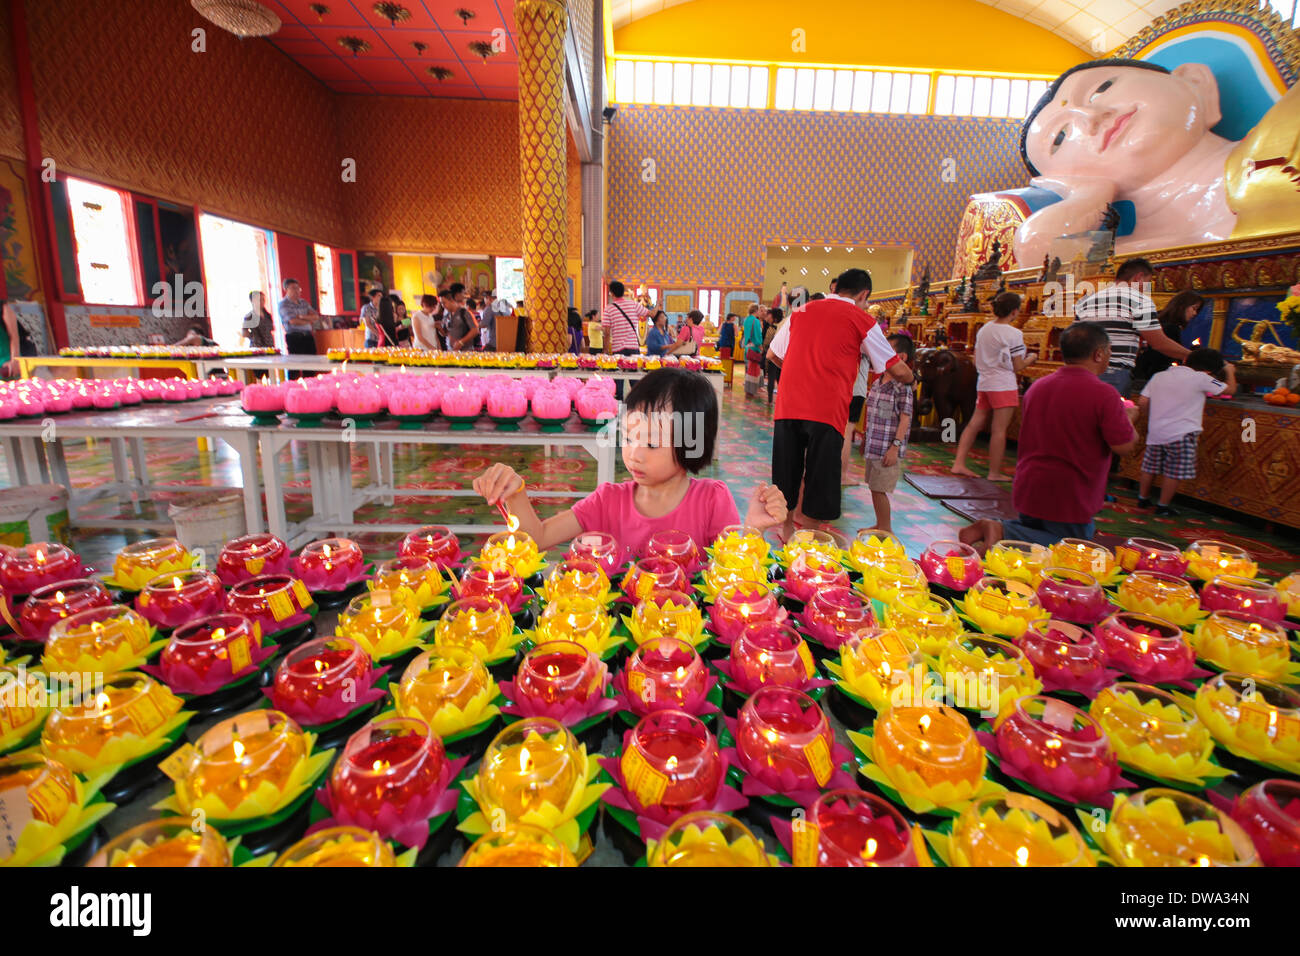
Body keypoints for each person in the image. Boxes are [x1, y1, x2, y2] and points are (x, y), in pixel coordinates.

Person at [473, 368, 788, 555]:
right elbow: (536, 539)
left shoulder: (711, 499)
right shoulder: (608, 501)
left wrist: (752, 529)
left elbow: (733, 573)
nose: (634, 453)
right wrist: (515, 494)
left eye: (651, 442)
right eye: (629, 437)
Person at [959, 322, 1139, 551]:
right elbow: (1123, 446)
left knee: (1032, 557)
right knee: (1072, 549)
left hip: (1030, 485)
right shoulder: (1104, 394)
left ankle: (1006, 535)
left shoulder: (1039, 386)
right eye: (1109, 352)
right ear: (1098, 354)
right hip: (1071, 493)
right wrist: (1129, 419)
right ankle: (1004, 531)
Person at [769, 268, 915, 539]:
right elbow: (896, 368)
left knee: (786, 472)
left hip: (788, 406)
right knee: (819, 475)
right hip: (826, 411)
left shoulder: (801, 312)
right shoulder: (861, 319)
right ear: (864, 294)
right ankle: (809, 538)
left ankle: (787, 529)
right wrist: (912, 378)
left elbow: (773, 355)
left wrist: (798, 375)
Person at [950, 292, 1039, 481]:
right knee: (999, 430)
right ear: (1015, 312)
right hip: (1003, 384)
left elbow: (976, 358)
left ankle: (958, 463)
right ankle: (994, 472)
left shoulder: (985, 329)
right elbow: (1018, 366)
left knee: (975, 423)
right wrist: (1032, 358)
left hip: (984, 381)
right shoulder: (1013, 333)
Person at [1137, 347, 1235, 516]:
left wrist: (1151, 417)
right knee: (1173, 471)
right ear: (1210, 370)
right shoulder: (1202, 378)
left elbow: (1143, 401)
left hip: (1156, 431)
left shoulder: (1160, 376)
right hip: (1182, 433)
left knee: (1149, 467)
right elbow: (1230, 390)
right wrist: (1230, 371)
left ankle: (1142, 498)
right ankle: (1163, 506)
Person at [1074, 257, 1188, 396]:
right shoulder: (1139, 300)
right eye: (1147, 283)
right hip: (1113, 373)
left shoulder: (1087, 301)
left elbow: (1074, 339)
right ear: (1138, 277)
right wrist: (1192, 356)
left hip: (1082, 372)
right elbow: (1159, 343)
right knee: (1110, 416)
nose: (1146, 288)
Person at [860, 334, 917, 532]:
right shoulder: (878, 381)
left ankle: (885, 528)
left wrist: (895, 447)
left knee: (879, 489)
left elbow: (905, 417)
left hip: (887, 448)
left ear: (900, 357)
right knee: (874, 487)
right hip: (874, 445)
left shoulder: (903, 386)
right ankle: (880, 524)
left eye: (888, 350)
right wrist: (865, 438)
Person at [1133, 290, 1204, 385]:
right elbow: (1166, 356)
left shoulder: (1162, 323)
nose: (1195, 313)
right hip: (1153, 378)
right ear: (1182, 306)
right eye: (1194, 308)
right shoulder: (1170, 328)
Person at [277, 278, 319, 378]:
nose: (297, 291)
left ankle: (309, 388)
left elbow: (316, 317)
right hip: (294, 337)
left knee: (311, 366)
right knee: (295, 366)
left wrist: (302, 317)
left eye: (298, 288)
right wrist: (308, 320)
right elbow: (293, 321)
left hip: (308, 336)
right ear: (286, 289)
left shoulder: (303, 302)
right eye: (293, 288)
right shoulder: (283, 304)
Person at [602, 280, 649, 357]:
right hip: (633, 347)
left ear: (611, 293)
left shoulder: (608, 309)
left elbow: (607, 333)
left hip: (618, 348)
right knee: (634, 368)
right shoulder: (633, 304)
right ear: (623, 292)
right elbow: (651, 313)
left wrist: (605, 350)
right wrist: (658, 304)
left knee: (620, 368)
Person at [742, 304, 765, 399]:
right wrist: (760, 346)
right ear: (756, 311)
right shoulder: (756, 321)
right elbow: (757, 335)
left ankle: (748, 390)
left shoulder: (746, 319)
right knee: (754, 370)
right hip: (754, 347)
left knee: (749, 369)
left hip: (747, 347)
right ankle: (751, 391)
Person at [763, 308, 784, 405]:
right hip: (782, 356)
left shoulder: (771, 329)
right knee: (780, 378)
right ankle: (781, 399)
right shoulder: (784, 326)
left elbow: (766, 342)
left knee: (771, 378)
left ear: (774, 317)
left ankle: (770, 400)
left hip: (773, 355)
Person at [717, 312, 737, 388]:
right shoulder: (734, 325)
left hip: (723, 343)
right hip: (730, 343)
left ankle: (721, 374)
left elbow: (718, 332)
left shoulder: (723, 324)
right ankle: (728, 375)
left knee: (722, 358)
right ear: (731, 317)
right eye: (734, 317)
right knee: (729, 359)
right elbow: (736, 334)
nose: (735, 319)